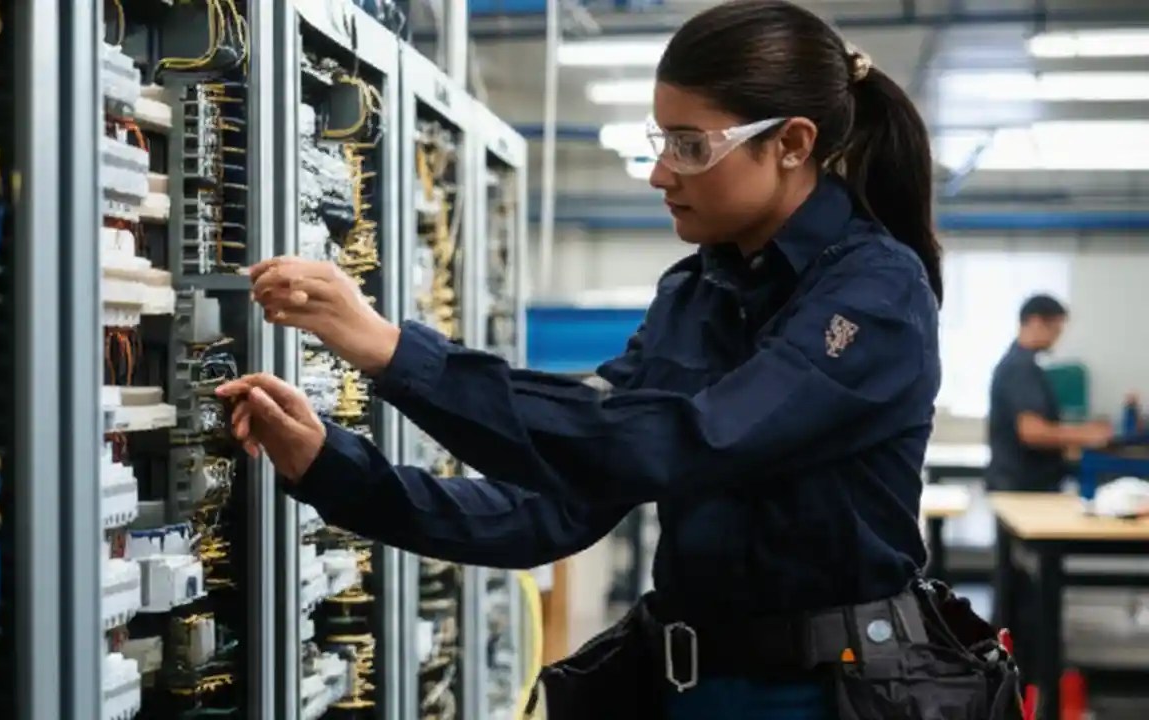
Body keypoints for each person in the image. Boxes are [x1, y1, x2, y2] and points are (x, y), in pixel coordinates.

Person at [218, 1, 1018, 718]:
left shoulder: (874, 296)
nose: (661, 172)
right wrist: (331, 467)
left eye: (691, 145)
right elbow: (554, 506)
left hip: (828, 695)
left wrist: (396, 354)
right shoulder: (696, 292)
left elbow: (677, 442)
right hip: (694, 688)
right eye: (659, 141)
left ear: (792, 145)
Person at [986, 294, 1113, 493]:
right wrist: (1086, 434)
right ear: (1036, 321)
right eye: (1056, 328)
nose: (1058, 336)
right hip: (1022, 487)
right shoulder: (1020, 367)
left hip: (1023, 482)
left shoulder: (1024, 364)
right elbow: (1032, 431)